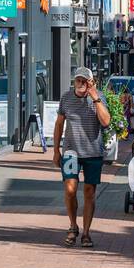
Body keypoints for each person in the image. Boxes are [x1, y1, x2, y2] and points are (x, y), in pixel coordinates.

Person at [53, 68, 111, 248]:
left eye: (84, 81)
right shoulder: (66, 98)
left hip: (93, 152)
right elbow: (59, 123)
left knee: (89, 192)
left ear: (91, 83)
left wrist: (95, 97)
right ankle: (72, 226)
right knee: (70, 189)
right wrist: (56, 150)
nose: (80, 84)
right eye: (78, 80)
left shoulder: (98, 97)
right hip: (71, 152)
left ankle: (86, 232)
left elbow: (106, 121)